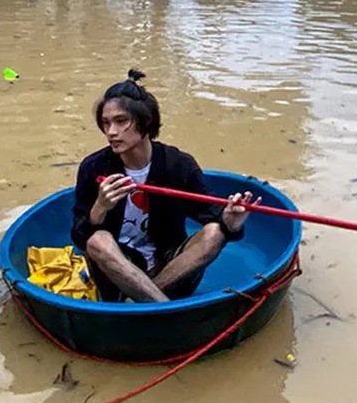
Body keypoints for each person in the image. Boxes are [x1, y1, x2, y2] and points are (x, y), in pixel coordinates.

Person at [70, 68, 253, 302]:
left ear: (146, 123)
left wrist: (230, 222)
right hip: (117, 274)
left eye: (121, 121)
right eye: (105, 123)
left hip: (170, 269)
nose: (111, 132)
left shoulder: (178, 165)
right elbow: (79, 235)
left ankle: (148, 303)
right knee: (97, 241)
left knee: (214, 234)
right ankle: (165, 309)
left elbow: (212, 217)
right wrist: (100, 208)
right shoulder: (94, 168)